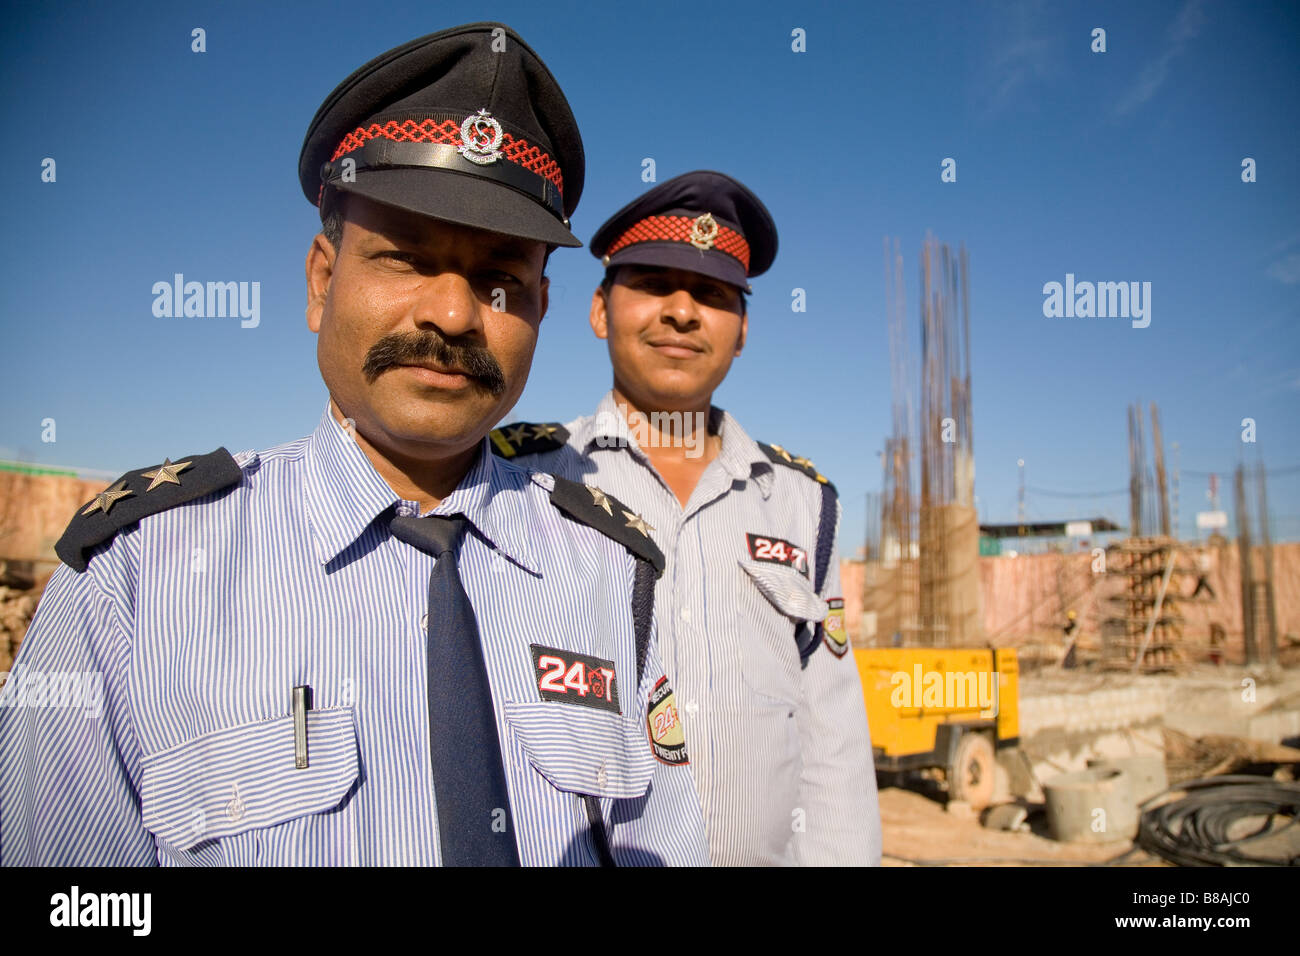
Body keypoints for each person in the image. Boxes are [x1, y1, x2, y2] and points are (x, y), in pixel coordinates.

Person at [0, 23, 708, 868]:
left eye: (498, 280)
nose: (451, 315)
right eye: (405, 258)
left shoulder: (609, 572)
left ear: (542, 312)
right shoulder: (139, 577)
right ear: (321, 280)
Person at [497, 171, 881, 865]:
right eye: (651, 283)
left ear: (741, 333)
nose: (681, 311)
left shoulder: (802, 502)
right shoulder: (519, 479)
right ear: (598, 310)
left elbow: (832, 737)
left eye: (711, 294)